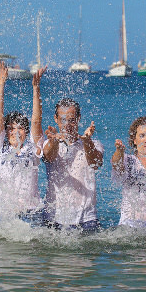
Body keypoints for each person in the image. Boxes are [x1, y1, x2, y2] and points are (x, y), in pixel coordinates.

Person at [0, 60, 47, 225]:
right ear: (6, 131)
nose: (15, 132)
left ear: (26, 132)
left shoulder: (32, 148)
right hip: (2, 212)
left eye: (20, 128)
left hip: (31, 212)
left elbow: (36, 122)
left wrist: (36, 89)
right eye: (11, 128)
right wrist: (2, 81)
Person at [42, 98, 104, 231]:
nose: (67, 124)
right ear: (56, 119)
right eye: (63, 120)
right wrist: (54, 141)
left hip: (86, 218)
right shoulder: (48, 143)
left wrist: (87, 141)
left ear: (78, 118)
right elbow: (48, 156)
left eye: (71, 120)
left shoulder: (94, 144)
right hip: (53, 217)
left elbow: (95, 163)